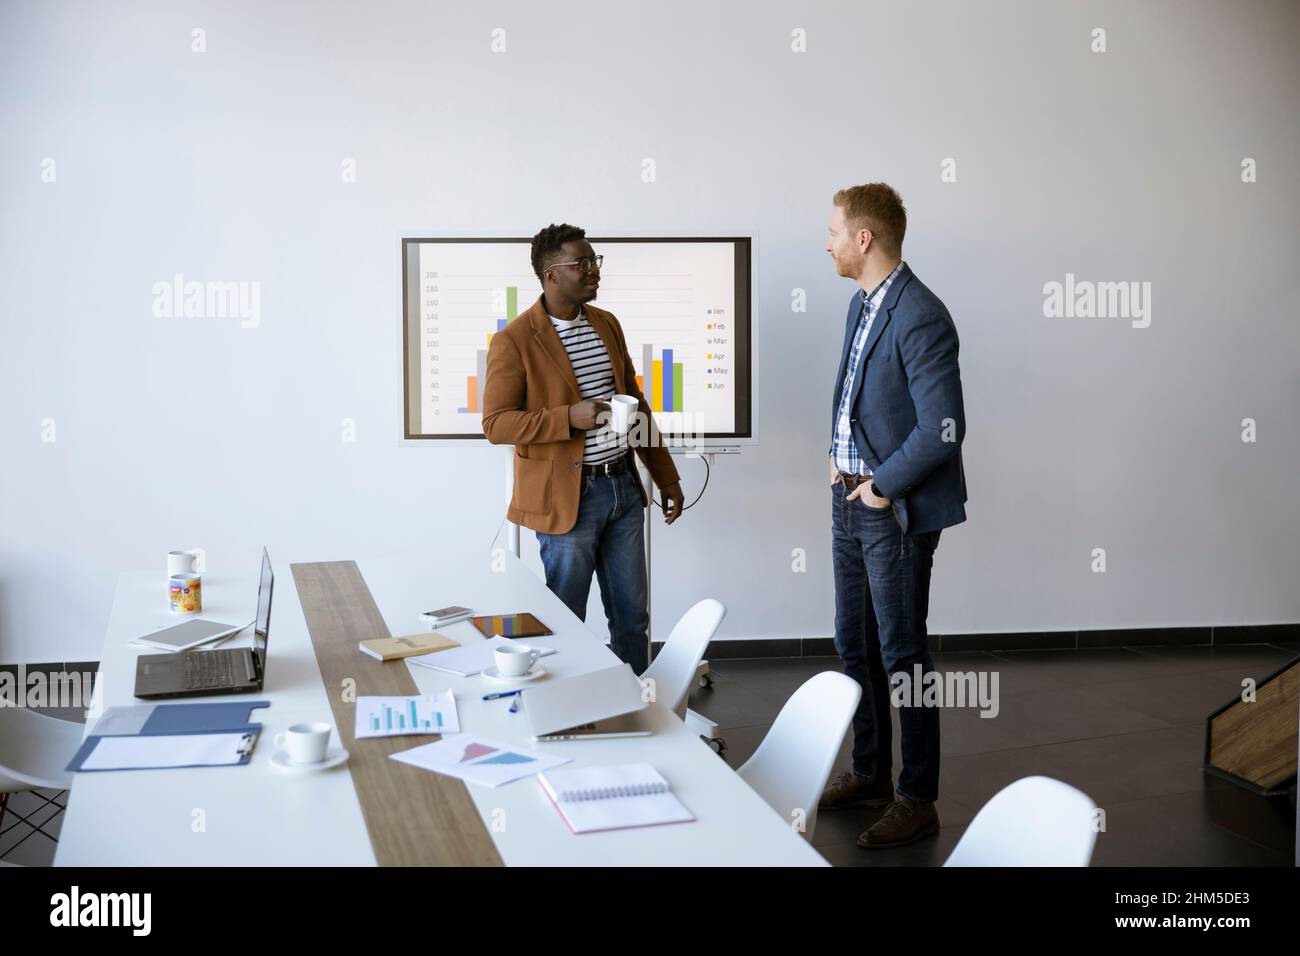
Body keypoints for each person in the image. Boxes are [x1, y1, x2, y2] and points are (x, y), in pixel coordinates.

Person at [816, 183, 968, 848]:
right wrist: (837, 456)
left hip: (892, 509)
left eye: (833, 232)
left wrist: (881, 486)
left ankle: (917, 797)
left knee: (902, 653)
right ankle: (872, 773)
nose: (827, 243)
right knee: (857, 643)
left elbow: (943, 429)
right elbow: (856, 395)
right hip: (847, 499)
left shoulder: (920, 313)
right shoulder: (863, 305)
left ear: (864, 239)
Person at [482, 223, 685, 673]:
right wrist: (565, 418)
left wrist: (666, 475)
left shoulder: (606, 324)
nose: (595, 272)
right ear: (552, 275)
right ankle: (566, 712)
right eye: (584, 264)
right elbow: (495, 424)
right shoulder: (514, 341)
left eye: (596, 262)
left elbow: (637, 404)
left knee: (633, 619)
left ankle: (634, 708)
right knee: (565, 619)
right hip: (566, 502)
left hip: (622, 489)